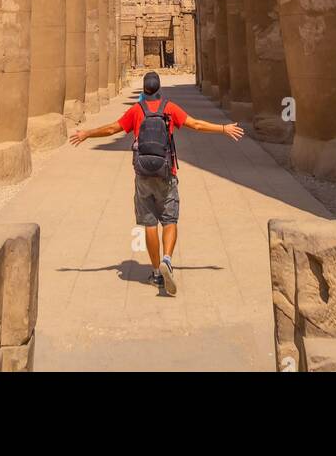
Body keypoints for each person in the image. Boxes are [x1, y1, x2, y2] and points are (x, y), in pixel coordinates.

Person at [69, 71, 243, 296]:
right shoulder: (169, 108)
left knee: (149, 223)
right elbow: (196, 125)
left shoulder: (136, 110)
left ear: (143, 90)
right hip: (166, 172)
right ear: (160, 90)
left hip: (143, 173)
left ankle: (156, 272)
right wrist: (223, 128)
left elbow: (113, 129)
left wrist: (87, 134)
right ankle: (167, 259)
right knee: (170, 219)